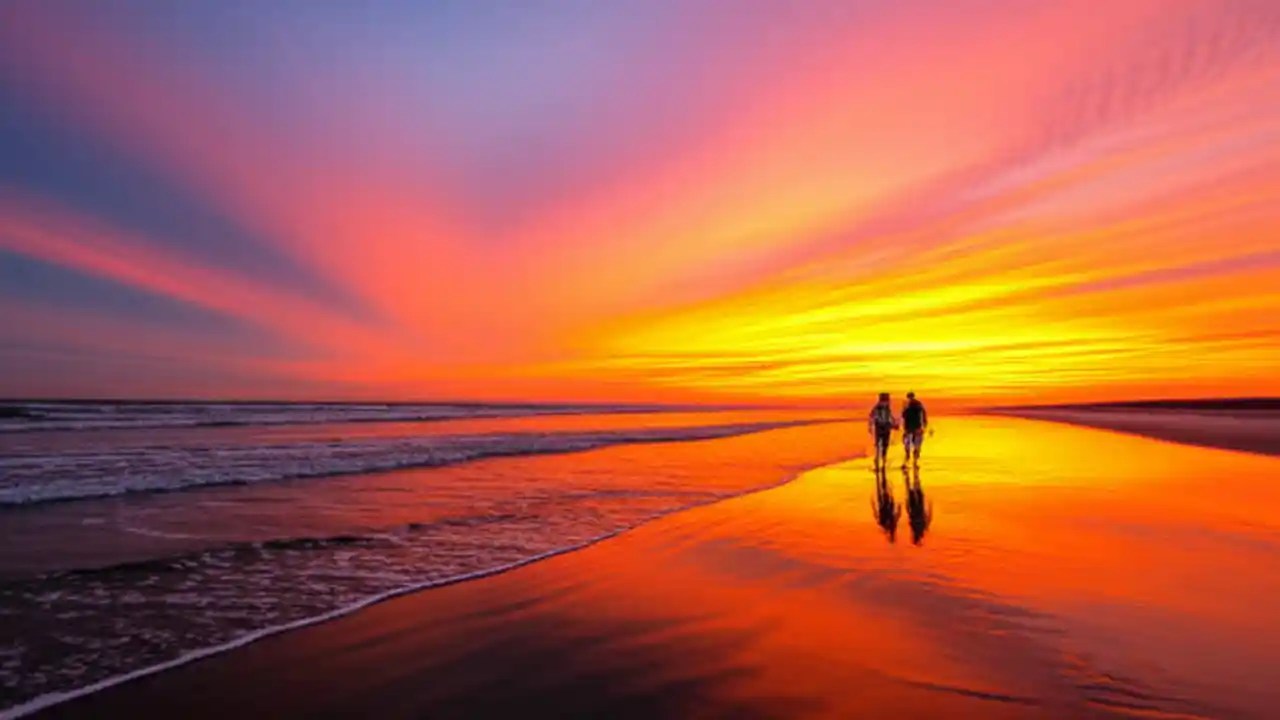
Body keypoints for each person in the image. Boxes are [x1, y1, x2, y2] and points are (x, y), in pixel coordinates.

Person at [867, 392, 897, 469]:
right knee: (878, 445)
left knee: (885, 445)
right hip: (880, 427)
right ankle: (877, 460)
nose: (888, 402)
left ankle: (883, 460)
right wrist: (870, 427)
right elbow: (871, 418)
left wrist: (894, 424)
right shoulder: (876, 408)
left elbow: (890, 417)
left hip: (886, 427)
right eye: (887, 400)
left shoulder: (887, 408)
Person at [901, 391, 928, 468]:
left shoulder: (915, 405)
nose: (910, 399)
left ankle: (913, 462)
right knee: (910, 446)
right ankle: (911, 462)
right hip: (911, 427)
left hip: (914, 427)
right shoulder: (915, 404)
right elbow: (904, 416)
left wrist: (924, 423)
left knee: (914, 446)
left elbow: (923, 414)